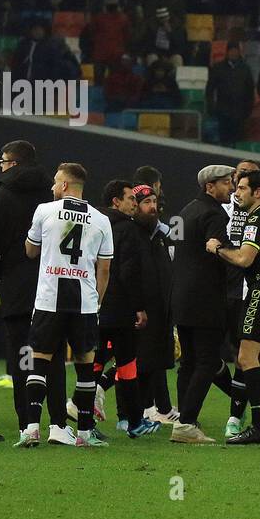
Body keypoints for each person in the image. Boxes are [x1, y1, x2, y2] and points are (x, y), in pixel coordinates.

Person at [0, 140, 69, 442]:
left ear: (13, 163)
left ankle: (27, 425)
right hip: (54, 286)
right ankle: (58, 424)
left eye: (2, 162)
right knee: (53, 357)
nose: (0, 167)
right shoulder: (53, 196)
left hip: (17, 288)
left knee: (23, 359)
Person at [20, 163, 114, 448]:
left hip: (49, 299)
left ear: (64, 186)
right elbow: (105, 269)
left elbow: (30, 250)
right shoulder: (101, 220)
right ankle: (84, 434)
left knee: (40, 361)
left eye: (55, 182)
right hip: (84, 302)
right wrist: (96, 301)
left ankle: (31, 429)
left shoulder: (44, 211)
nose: (51, 187)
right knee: (85, 366)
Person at [209, 169, 260, 445]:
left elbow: (245, 259)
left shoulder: (256, 219)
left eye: (242, 188)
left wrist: (217, 249)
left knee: (246, 359)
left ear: (257, 192)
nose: (236, 193)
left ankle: (258, 426)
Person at [169, 165, 235, 444]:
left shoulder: (185, 211)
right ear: (210, 186)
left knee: (189, 363)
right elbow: (219, 253)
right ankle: (185, 423)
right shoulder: (214, 214)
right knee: (207, 362)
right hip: (206, 299)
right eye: (227, 183)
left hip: (181, 298)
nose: (231, 188)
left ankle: (186, 420)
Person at [94, 179, 159, 438]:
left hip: (96, 305)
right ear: (116, 201)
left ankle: (85, 419)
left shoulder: (97, 224)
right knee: (128, 365)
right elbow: (129, 273)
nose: (134, 203)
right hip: (120, 309)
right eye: (130, 198)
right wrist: (139, 308)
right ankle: (134, 422)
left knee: (94, 363)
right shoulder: (127, 229)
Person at [132, 184, 176, 424]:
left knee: (154, 361)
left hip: (160, 311)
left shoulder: (160, 235)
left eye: (154, 202)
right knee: (138, 362)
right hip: (140, 311)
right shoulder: (130, 233)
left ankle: (155, 409)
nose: (153, 207)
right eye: (147, 202)